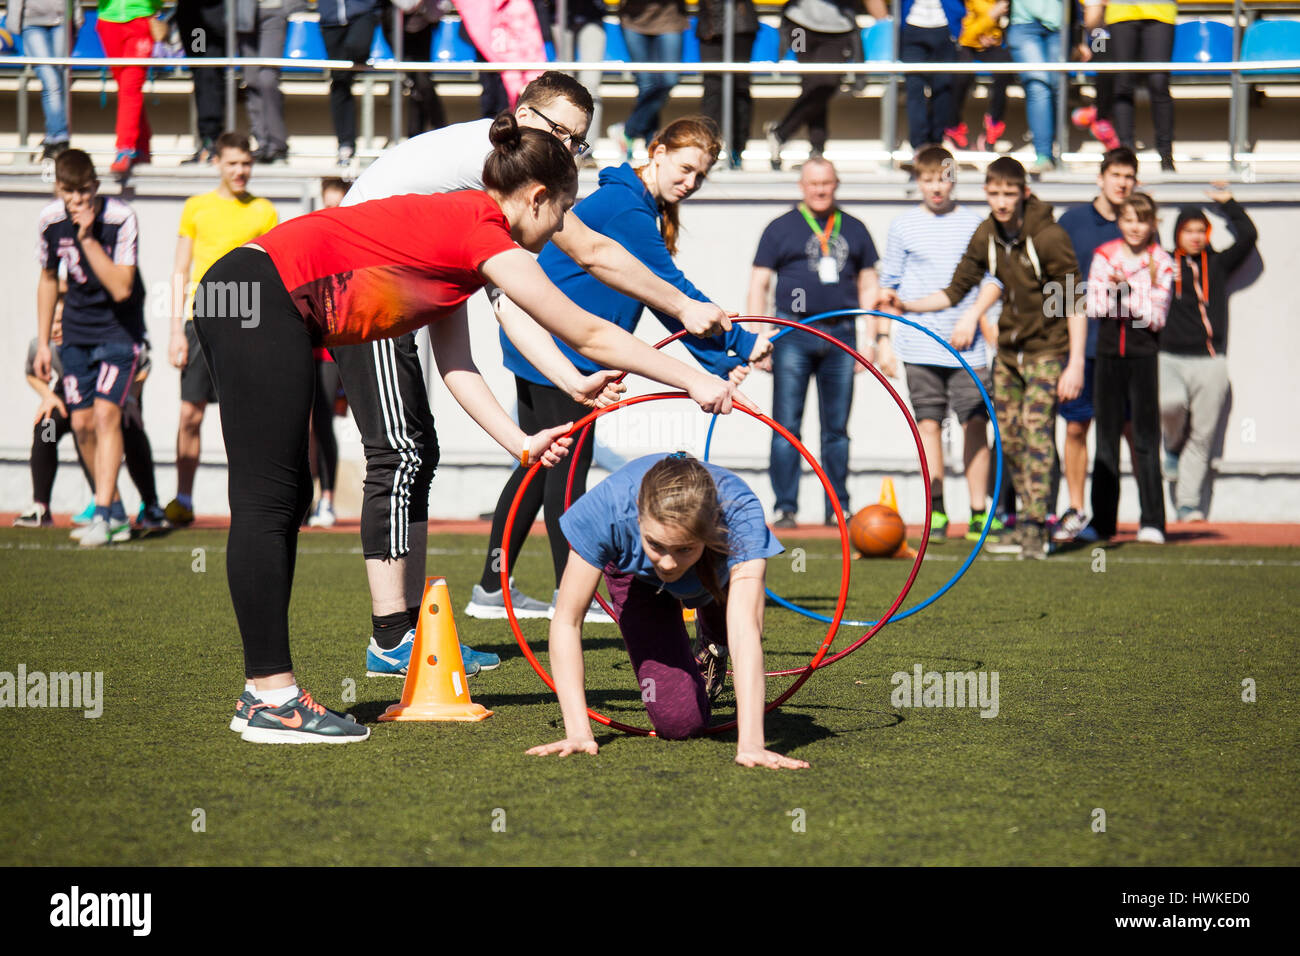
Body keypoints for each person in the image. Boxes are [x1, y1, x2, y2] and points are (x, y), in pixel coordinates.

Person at [197, 114, 746, 744]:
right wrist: (692, 379)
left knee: (284, 498)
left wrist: (520, 443)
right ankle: (270, 698)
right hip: (255, 294)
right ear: (537, 198)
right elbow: (588, 330)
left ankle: (268, 693)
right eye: (562, 211)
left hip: (251, 293)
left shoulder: (460, 238)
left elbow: (458, 366)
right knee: (270, 500)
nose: (562, 227)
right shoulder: (480, 231)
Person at [335, 73, 735, 680]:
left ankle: (411, 634)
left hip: (394, 281)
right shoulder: (497, 163)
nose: (570, 151)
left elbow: (506, 300)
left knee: (418, 450)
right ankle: (395, 637)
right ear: (522, 115)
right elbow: (593, 259)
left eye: (578, 143)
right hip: (363, 277)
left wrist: (571, 381)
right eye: (563, 135)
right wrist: (683, 321)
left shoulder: (503, 183)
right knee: (400, 453)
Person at [467, 116, 770, 623]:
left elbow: (657, 299)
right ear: (657, 151)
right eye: (685, 167)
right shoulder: (628, 207)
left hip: (552, 347)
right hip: (559, 352)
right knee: (566, 473)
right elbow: (671, 290)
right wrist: (738, 343)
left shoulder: (637, 205)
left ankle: (492, 589)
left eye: (701, 175)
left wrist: (720, 360)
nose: (690, 182)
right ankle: (576, 596)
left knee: (539, 468)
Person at [529, 452, 809, 770]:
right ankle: (695, 623)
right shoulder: (605, 509)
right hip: (635, 577)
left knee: (732, 616)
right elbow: (567, 620)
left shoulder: (739, 512)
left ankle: (712, 639)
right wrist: (578, 731)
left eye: (683, 549)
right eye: (656, 545)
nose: (668, 562)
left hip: (714, 564)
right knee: (680, 724)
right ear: (636, 520)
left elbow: (746, 629)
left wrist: (751, 745)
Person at [898, 156, 1085, 560]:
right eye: (994, 193)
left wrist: (1076, 363)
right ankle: (1023, 521)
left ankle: (1038, 527)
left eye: (1009, 193)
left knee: (1037, 435)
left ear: (1024, 193)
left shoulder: (1049, 237)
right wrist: (905, 304)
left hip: (1047, 350)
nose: (1001, 202)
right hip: (1009, 354)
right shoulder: (987, 234)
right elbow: (955, 290)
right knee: (1012, 440)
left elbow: (1075, 302)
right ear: (985, 192)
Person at [877, 145, 1002, 543]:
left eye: (943, 178)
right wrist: (882, 341)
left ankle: (980, 511)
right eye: (928, 179)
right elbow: (888, 285)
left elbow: (993, 280)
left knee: (976, 424)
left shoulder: (976, 224)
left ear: (954, 179)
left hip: (969, 346)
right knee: (928, 425)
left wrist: (974, 320)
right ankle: (940, 510)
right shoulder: (902, 226)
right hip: (919, 345)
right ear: (918, 181)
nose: (936, 187)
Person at [748, 157, 881, 528]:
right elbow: (759, 284)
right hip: (791, 335)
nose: (820, 190)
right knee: (786, 425)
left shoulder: (854, 228)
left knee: (836, 429)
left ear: (836, 185)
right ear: (801, 186)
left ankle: (837, 507)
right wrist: (758, 338)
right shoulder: (780, 228)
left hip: (841, 336)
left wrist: (869, 340)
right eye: (813, 184)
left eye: (827, 183)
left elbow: (870, 286)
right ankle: (785, 507)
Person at [33, 149, 149, 547]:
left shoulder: (120, 218)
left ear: (96, 187)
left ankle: (101, 513)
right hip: (77, 335)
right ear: (58, 189)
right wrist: (45, 341)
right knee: (80, 423)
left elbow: (121, 286)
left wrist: (86, 238)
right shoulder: (49, 220)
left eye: (85, 192)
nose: (79, 201)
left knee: (105, 415)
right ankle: (114, 511)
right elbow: (48, 279)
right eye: (70, 193)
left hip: (119, 332)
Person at [165, 132, 279, 527]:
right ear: (217, 163)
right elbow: (180, 269)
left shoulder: (264, 211)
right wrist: (175, 331)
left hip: (246, 325)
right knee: (189, 415)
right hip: (200, 322)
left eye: (246, 163)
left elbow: (272, 273)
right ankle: (183, 499)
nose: (240, 171)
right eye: (232, 163)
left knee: (246, 419)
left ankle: (248, 506)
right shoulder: (196, 208)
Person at [1053, 146, 1137, 543]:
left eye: (1129, 176)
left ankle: (1144, 514)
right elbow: (1059, 285)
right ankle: (1076, 509)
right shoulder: (1072, 221)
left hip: (1125, 347)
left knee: (1129, 430)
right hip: (1080, 349)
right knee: (1075, 427)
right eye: (1116, 174)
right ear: (1100, 177)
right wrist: (1067, 351)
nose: (1122, 183)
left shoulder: (1136, 222)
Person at [1159, 184, 1257, 522]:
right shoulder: (1162, 263)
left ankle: (1188, 504)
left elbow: (1247, 236)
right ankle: (1171, 445)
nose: (1196, 237)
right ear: (1178, 233)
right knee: (1168, 405)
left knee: (1203, 434)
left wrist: (1227, 203)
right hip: (1167, 357)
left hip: (1211, 360)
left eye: (1202, 230)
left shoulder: (1217, 264)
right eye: (1189, 230)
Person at [1082, 192, 1174, 543]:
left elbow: (1156, 317)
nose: (1136, 227)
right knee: (1105, 442)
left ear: (1153, 224)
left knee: (1146, 440)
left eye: (1143, 220)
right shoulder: (1105, 255)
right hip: (1107, 357)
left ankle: (1153, 521)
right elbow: (1094, 306)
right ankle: (1102, 523)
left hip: (1142, 359)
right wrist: (1135, 296)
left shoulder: (1161, 261)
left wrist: (1124, 293)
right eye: (1129, 219)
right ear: (1120, 221)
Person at [765, 0, 888, 171]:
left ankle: (781, 133)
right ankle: (817, 149)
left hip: (838, 29)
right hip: (798, 26)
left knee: (826, 83)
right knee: (812, 84)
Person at [15, 283, 94, 527]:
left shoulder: (90, 343)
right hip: (63, 399)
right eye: (52, 322)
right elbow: (31, 373)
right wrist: (48, 395)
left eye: (62, 321)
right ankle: (41, 507)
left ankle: (102, 503)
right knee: (46, 429)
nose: (56, 328)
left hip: (91, 399)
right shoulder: (41, 346)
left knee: (86, 435)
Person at [612, 0, 689, 160]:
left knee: (669, 79)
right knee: (646, 84)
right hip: (634, 20)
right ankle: (652, 145)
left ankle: (628, 130)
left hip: (670, 19)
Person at [1105, 0, 1176, 171]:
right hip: (1120, 11)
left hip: (1161, 10)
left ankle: (1166, 156)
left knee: (1158, 82)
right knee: (1123, 83)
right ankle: (1126, 156)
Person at [96, 0, 164, 175]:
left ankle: (125, 147)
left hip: (141, 20)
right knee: (126, 89)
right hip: (108, 21)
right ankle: (141, 146)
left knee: (130, 87)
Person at [9, 0, 79, 160]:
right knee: (51, 80)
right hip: (32, 22)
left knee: (60, 78)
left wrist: (76, 16)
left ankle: (52, 138)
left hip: (62, 20)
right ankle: (60, 139)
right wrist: (14, 21)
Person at [319, 0, 383, 166]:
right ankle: (345, 144)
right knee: (339, 81)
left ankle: (355, 67)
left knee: (357, 48)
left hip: (362, 12)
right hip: (330, 19)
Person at [1004, 0, 1063, 174]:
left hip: (1060, 27)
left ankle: (1059, 152)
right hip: (1023, 25)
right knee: (1038, 86)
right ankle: (1043, 156)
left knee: (1058, 87)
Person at [697, 0, 758, 169]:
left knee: (739, 88)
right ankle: (709, 150)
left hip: (741, 24)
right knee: (713, 89)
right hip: (710, 27)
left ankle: (737, 152)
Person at [947, 0, 1011, 152]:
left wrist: (990, 35)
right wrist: (990, 18)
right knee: (961, 73)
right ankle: (952, 125)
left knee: (1005, 68)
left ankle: (994, 123)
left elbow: (999, 30)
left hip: (990, 43)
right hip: (965, 44)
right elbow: (964, 36)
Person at [900, 0, 961, 153]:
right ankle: (919, 146)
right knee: (915, 89)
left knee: (943, 88)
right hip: (912, 27)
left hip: (945, 27)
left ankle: (936, 143)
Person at [239, 0, 294, 164]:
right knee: (251, 80)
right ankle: (262, 142)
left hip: (274, 9)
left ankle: (277, 145)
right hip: (242, 12)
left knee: (267, 79)